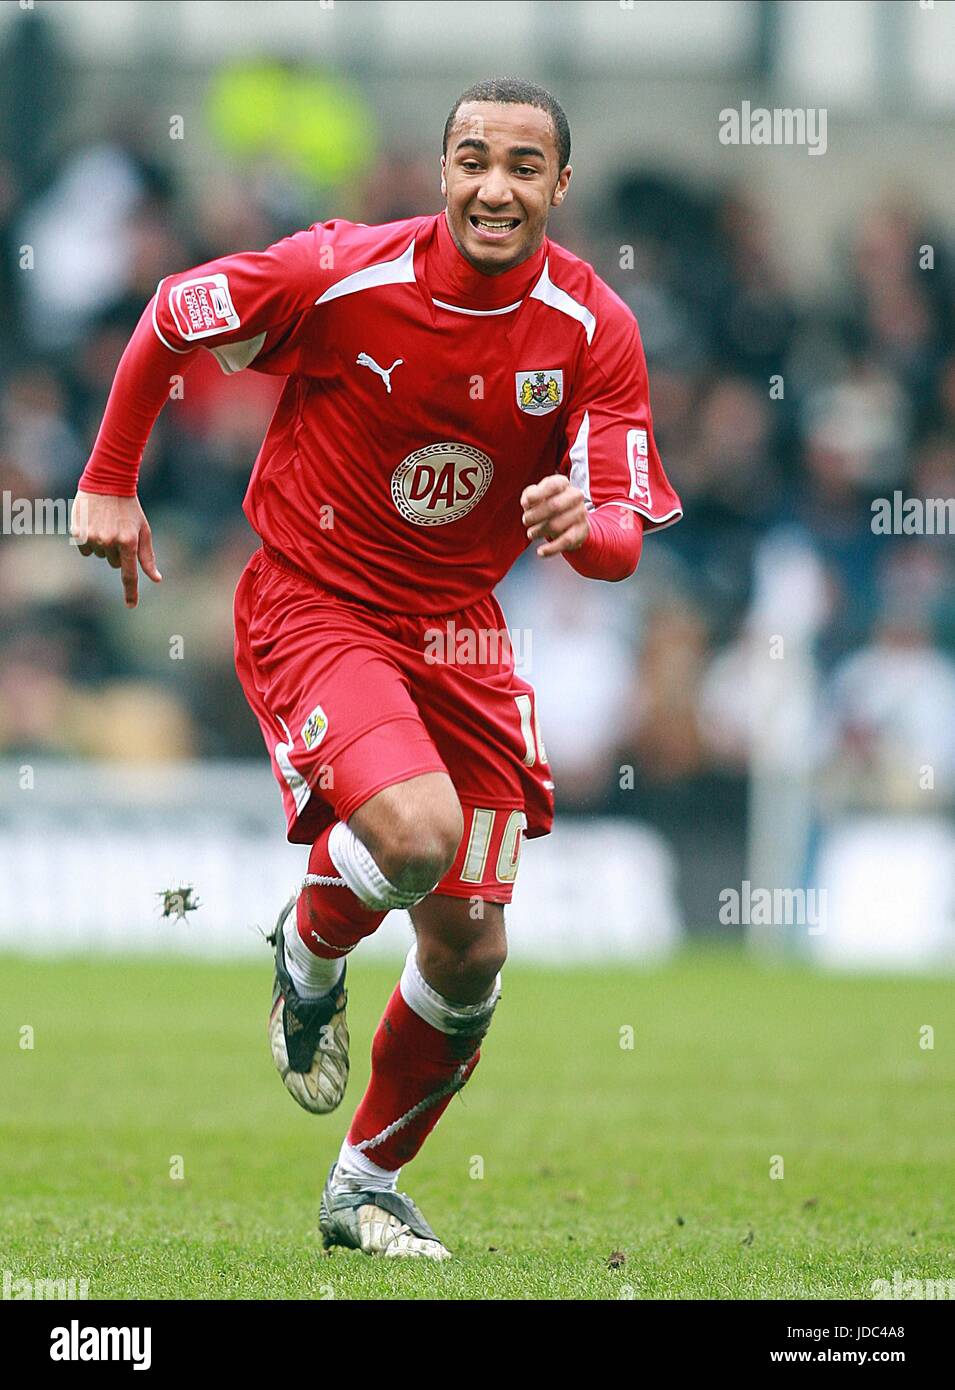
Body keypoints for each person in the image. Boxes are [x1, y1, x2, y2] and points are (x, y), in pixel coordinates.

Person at [72, 77, 682, 1260]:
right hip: (318, 601)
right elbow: (170, 313)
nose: (492, 187)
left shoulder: (594, 327)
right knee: (413, 836)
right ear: (440, 168)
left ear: (560, 186)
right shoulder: (337, 273)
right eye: (471, 159)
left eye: (520, 166)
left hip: (460, 628)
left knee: (469, 949)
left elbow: (619, 534)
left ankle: (363, 1186)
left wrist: (576, 522)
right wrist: (107, 477)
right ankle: (308, 952)